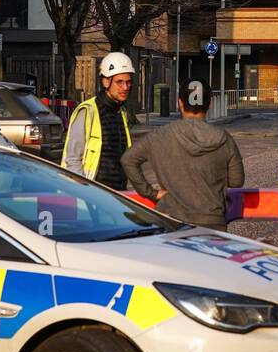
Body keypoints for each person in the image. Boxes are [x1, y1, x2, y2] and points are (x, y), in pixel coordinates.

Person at [121, 79, 245, 228]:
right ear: (210, 104)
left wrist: (151, 193)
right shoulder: (224, 139)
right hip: (212, 221)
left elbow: (128, 159)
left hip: (171, 220)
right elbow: (237, 181)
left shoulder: (159, 136)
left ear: (180, 103)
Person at [63, 52, 134, 186]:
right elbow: (72, 160)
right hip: (93, 194)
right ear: (106, 81)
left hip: (118, 192)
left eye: (128, 82)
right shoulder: (88, 111)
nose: (125, 87)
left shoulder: (121, 112)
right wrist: (84, 192)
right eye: (119, 82)